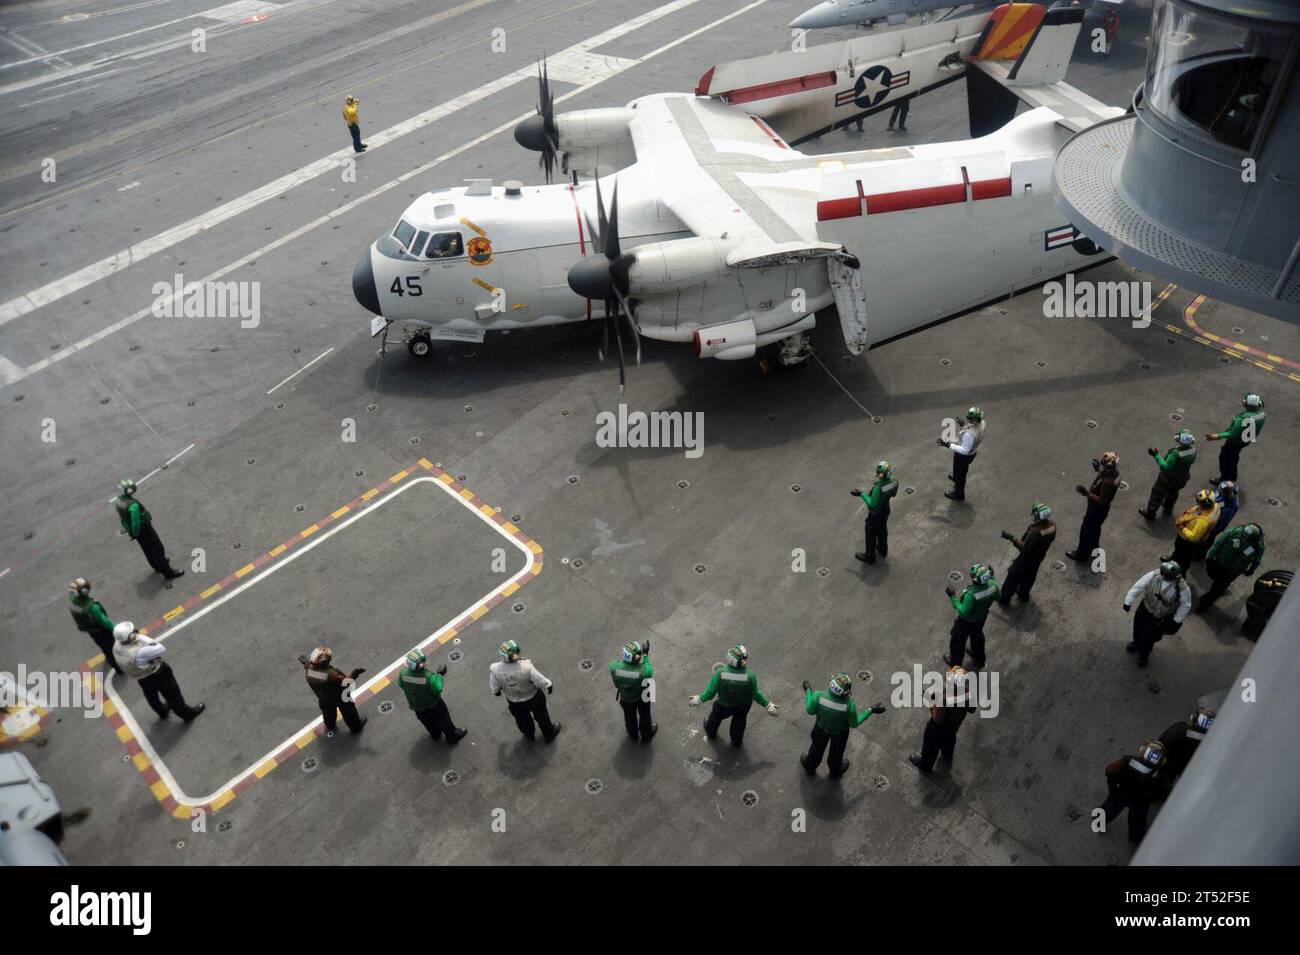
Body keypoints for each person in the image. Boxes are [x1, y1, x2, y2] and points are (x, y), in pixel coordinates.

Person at [688, 644, 778, 747]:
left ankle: (710, 732)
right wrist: (767, 705)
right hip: (743, 706)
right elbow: (755, 694)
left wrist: (699, 699)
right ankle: (736, 741)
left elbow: (710, 692)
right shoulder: (750, 675)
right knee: (739, 723)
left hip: (724, 705)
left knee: (714, 718)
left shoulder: (720, 674)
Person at [112, 622, 204, 720]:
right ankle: (186, 714)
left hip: (141, 677)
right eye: (132, 632)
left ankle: (162, 712)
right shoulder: (139, 653)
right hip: (158, 674)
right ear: (129, 636)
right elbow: (160, 648)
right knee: (173, 696)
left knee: (152, 697)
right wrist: (138, 637)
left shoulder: (116, 647)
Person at [799, 674, 884, 779]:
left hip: (820, 729)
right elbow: (854, 723)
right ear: (846, 692)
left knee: (816, 749)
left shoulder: (818, 696)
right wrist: (871, 710)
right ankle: (835, 772)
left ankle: (809, 766)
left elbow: (810, 710)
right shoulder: (849, 706)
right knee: (836, 754)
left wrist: (808, 691)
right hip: (839, 734)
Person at [1099, 740, 1172, 843]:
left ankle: (1099, 823)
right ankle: (1135, 839)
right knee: (1137, 822)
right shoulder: (1160, 776)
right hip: (1140, 802)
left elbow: (1110, 771)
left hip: (1120, 793)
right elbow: (1164, 793)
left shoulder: (1127, 761)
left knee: (1109, 809)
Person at [909, 665, 977, 772]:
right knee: (949, 741)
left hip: (938, 729)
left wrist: (930, 701)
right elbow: (972, 709)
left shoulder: (944, 698)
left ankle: (926, 764)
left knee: (930, 745)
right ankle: (947, 756)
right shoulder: (966, 692)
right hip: (954, 726)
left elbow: (937, 720)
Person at [490, 639, 561, 742]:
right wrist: (549, 685)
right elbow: (540, 680)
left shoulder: (495, 669)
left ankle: (529, 735)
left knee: (522, 719)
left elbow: (495, 690)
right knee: (542, 715)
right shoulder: (526, 667)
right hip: (533, 697)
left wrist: (499, 691)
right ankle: (549, 733)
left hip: (514, 702)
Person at [1122, 562, 1191, 667]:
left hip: (1159, 618)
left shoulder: (1182, 587)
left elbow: (1186, 604)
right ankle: (1136, 643)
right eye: (1163, 573)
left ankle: (1144, 655)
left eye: (1167, 575)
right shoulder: (1153, 575)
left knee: (1150, 638)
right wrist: (1128, 601)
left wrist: (1177, 619)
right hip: (1145, 609)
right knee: (1137, 628)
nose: (1164, 576)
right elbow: (1138, 586)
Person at [114, 479, 184, 580]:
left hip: (135, 531)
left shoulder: (118, 501)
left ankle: (157, 566)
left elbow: (123, 519)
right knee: (157, 549)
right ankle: (168, 573)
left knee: (147, 549)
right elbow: (135, 522)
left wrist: (131, 532)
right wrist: (135, 532)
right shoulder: (133, 505)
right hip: (144, 529)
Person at [397, 648, 466, 744]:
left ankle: (435, 734)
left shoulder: (402, 674)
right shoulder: (429, 677)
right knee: (444, 720)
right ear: (420, 665)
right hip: (433, 705)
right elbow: (437, 689)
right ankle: (451, 736)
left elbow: (401, 685)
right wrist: (440, 675)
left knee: (427, 722)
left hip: (417, 706)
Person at [1197, 523, 1265, 611]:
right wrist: (1211, 555)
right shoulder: (1235, 532)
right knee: (1218, 580)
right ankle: (1218, 590)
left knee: (1219, 585)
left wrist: (1252, 569)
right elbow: (1220, 543)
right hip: (1222, 563)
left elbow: (1257, 560)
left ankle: (1205, 603)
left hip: (1234, 570)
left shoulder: (1258, 546)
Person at [998, 500, 1056, 604]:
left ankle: (1004, 598)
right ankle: (1023, 594)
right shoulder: (1052, 525)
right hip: (1038, 558)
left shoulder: (1035, 532)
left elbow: (1024, 548)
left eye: (1035, 514)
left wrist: (1011, 537)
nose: (1034, 516)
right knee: (1030, 577)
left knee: (1013, 577)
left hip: (1025, 559)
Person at [1066, 451, 1119, 562]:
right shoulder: (1115, 473)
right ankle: (1094, 547)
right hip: (1102, 511)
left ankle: (1082, 555)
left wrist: (1086, 493)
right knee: (1095, 529)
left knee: (1086, 530)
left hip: (1097, 510)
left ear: (1109, 466)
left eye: (1103, 464)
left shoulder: (1107, 482)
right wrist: (1098, 469)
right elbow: (1105, 474)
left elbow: (1102, 500)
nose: (1102, 467)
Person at [944, 563, 999, 669]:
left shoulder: (971, 595)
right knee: (977, 635)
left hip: (966, 621)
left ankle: (955, 662)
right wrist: (992, 577)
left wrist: (953, 597)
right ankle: (979, 657)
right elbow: (998, 596)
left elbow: (963, 611)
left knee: (958, 639)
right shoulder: (994, 585)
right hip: (981, 618)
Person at [302, 646, 367, 735]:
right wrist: (355, 673)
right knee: (349, 711)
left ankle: (330, 725)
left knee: (328, 712)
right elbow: (346, 682)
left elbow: (308, 666)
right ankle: (356, 727)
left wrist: (305, 662)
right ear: (324, 662)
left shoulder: (309, 670)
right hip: (340, 697)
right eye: (328, 660)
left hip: (323, 698)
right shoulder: (331, 674)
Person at [1206, 393, 1265, 485]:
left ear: (1245, 404)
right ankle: (1233, 476)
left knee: (1225, 459)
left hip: (1235, 442)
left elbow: (1232, 434)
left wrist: (1217, 436)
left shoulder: (1242, 419)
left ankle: (1224, 479)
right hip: (1246, 440)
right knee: (1234, 457)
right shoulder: (1262, 414)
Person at [67, 578, 123, 674]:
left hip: (90, 629)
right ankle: (118, 668)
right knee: (110, 647)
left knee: (101, 644)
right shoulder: (93, 608)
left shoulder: (73, 600)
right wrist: (115, 629)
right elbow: (104, 621)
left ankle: (107, 655)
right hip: (101, 630)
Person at [1138, 430, 1196, 520]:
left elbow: (1165, 466)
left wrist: (1156, 455)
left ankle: (1150, 514)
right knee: (1173, 493)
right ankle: (1168, 508)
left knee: (1157, 494)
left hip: (1168, 478)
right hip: (1182, 477)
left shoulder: (1175, 454)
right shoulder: (1193, 449)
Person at [610, 640, 656, 742]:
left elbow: (616, 684)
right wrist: (646, 656)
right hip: (641, 696)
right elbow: (648, 668)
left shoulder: (613, 666)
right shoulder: (643, 671)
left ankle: (632, 734)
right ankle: (646, 735)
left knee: (629, 716)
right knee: (644, 715)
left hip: (625, 697)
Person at [853, 460, 898, 564]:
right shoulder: (895, 481)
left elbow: (872, 504)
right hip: (886, 509)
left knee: (870, 534)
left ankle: (870, 557)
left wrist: (861, 494)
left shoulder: (878, 488)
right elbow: (894, 494)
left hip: (875, 514)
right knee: (882, 529)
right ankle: (883, 550)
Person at [938, 406, 985, 502]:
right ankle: (956, 476)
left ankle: (959, 494)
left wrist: (948, 445)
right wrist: (963, 425)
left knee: (960, 475)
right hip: (972, 453)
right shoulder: (982, 424)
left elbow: (964, 450)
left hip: (963, 456)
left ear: (974, 420)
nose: (968, 420)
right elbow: (974, 429)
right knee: (961, 470)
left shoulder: (969, 435)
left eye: (970, 419)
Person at [1168, 489, 1220, 571]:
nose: (1197, 502)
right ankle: (1173, 560)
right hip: (1196, 537)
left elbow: (1194, 537)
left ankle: (1179, 573)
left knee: (1183, 559)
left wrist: (1182, 528)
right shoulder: (1215, 506)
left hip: (1187, 542)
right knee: (1178, 553)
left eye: (1198, 501)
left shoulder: (1203, 522)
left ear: (1203, 504)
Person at [1158, 708, 1215, 778]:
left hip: (1169, 765)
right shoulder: (1211, 742)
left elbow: (1161, 743)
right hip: (1188, 771)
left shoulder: (1180, 730)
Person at [1207, 480, 1239, 546]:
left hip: (1210, 528)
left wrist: (1209, 532)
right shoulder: (1224, 487)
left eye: (1222, 493)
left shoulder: (1231, 507)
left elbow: (1221, 524)